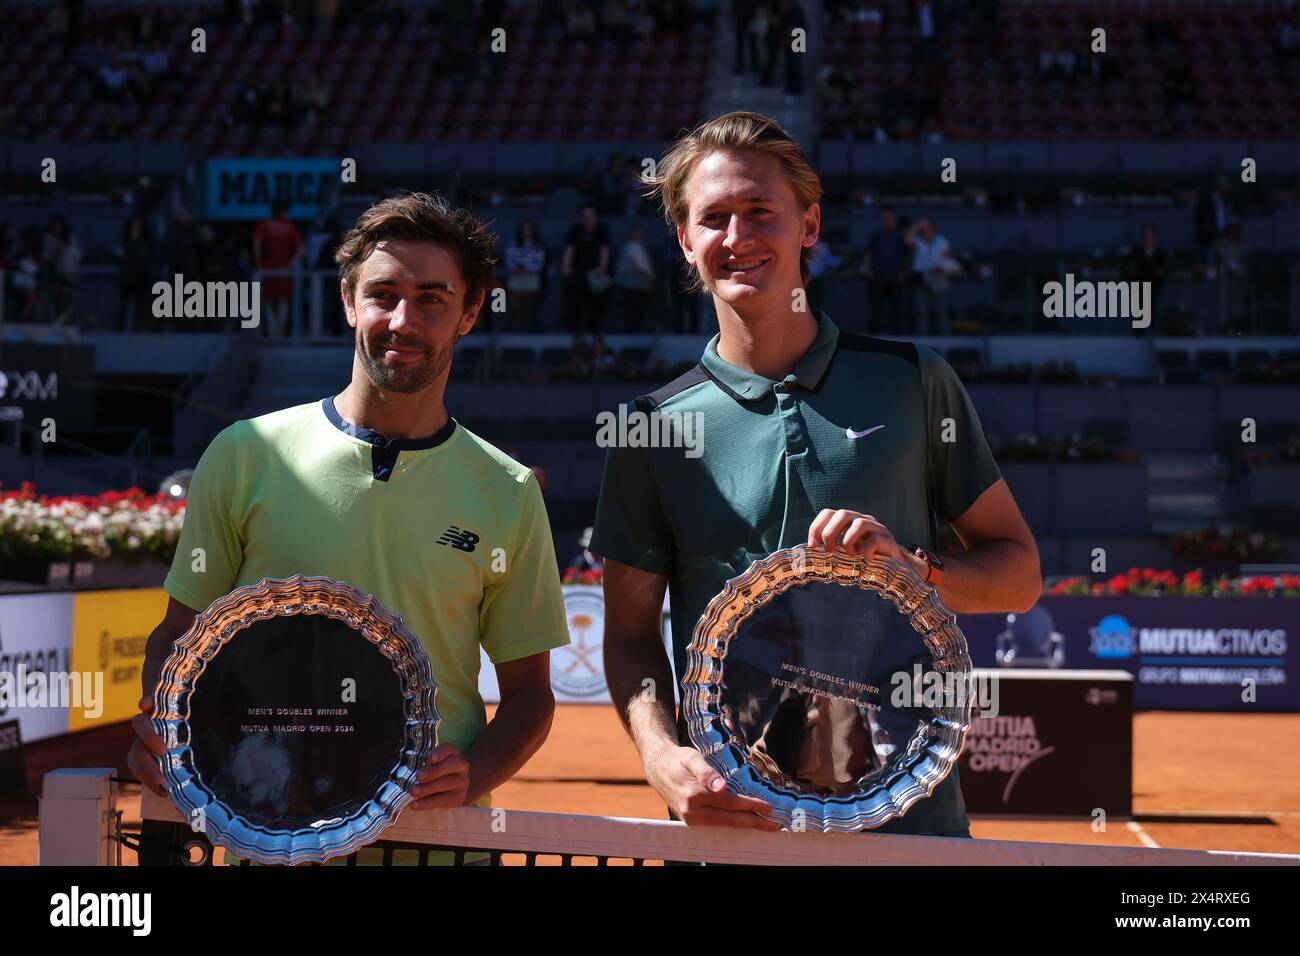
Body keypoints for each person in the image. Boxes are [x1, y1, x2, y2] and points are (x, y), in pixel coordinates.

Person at [592, 111, 1040, 836]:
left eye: (760, 212)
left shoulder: (912, 380)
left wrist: (912, 568)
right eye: (713, 219)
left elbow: (1019, 572)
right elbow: (631, 634)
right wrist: (658, 751)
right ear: (684, 240)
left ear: (809, 224)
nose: (737, 239)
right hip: (731, 825)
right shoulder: (650, 427)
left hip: (908, 825)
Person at [126, 193, 570, 863]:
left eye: (432, 299)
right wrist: (165, 730)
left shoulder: (507, 491)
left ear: (470, 312)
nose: (403, 320)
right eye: (383, 294)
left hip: (437, 845)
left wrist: (474, 775)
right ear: (347, 301)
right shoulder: (244, 454)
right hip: (268, 832)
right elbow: (177, 636)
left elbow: (531, 696)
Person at [561, 205, 612, 344]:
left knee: (596, 305)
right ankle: (573, 330)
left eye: (590, 216)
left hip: (595, 275)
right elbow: (569, 250)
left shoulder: (602, 230)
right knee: (574, 304)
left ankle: (594, 331)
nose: (588, 219)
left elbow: (604, 251)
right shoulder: (575, 230)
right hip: (577, 274)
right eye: (585, 216)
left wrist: (602, 268)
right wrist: (566, 267)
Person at [254, 201, 304, 336]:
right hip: (284, 270)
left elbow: (257, 245)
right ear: (283, 212)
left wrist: (259, 264)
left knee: (269, 303)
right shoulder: (289, 227)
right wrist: (291, 263)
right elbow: (301, 248)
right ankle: (279, 334)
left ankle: (272, 333)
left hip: (268, 269)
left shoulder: (263, 225)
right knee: (282, 302)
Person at [905, 216, 957, 334]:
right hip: (921, 278)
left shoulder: (941, 240)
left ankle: (946, 340)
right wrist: (917, 225)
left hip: (937, 278)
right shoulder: (918, 241)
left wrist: (940, 266)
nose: (924, 229)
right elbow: (907, 240)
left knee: (941, 310)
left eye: (926, 227)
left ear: (932, 228)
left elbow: (947, 257)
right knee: (921, 311)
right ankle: (922, 341)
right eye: (923, 228)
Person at [861, 205, 909, 334]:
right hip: (878, 277)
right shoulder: (877, 235)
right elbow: (869, 252)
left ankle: (898, 337)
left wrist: (903, 273)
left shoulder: (900, 235)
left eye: (888, 217)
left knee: (896, 309)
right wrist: (868, 269)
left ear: (894, 218)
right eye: (884, 217)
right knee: (877, 308)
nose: (886, 219)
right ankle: (873, 336)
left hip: (896, 278)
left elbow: (907, 255)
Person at [1122, 223, 1168, 330]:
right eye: (1146, 236)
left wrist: (1161, 273)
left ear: (1155, 237)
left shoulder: (1161, 254)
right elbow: (1126, 270)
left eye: (1151, 236)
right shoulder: (1135, 253)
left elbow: (1166, 271)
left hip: (1154, 292)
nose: (1148, 239)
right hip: (1138, 292)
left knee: (1152, 319)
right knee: (1139, 322)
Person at [505, 219, 547, 333]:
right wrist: (515, 269)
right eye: (524, 230)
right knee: (515, 307)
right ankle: (515, 330)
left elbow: (540, 263)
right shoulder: (512, 243)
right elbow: (509, 259)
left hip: (531, 278)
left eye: (528, 230)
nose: (526, 232)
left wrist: (530, 269)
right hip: (515, 278)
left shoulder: (537, 245)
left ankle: (526, 330)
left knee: (528, 307)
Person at [614, 223, 655, 332]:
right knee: (633, 311)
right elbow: (642, 267)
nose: (641, 235)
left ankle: (633, 329)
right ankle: (632, 331)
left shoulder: (633, 246)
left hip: (636, 286)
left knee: (634, 311)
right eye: (638, 233)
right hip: (633, 286)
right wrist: (651, 278)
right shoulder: (632, 247)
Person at [117, 214, 154, 332]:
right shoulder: (126, 239)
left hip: (141, 277)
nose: (136, 228)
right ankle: (120, 328)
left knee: (141, 305)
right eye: (134, 225)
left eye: (138, 226)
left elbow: (147, 258)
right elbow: (124, 257)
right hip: (127, 277)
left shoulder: (146, 241)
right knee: (124, 304)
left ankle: (140, 328)